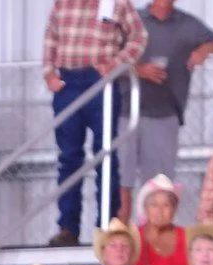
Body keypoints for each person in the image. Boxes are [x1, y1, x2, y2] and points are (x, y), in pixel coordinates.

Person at [44, 0, 145, 245]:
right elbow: (51, 37)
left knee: (106, 155)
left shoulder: (117, 3)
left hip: (101, 81)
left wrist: (116, 62)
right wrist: (48, 72)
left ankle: (107, 226)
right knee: (69, 157)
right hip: (68, 82)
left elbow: (139, 37)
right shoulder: (62, 3)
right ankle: (68, 227)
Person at [130, 2, 213, 190]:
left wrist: (205, 49)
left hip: (165, 114)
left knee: (160, 184)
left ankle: (155, 221)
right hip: (124, 112)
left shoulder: (188, 24)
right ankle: (115, 220)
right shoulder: (133, 20)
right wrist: (138, 70)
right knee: (119, 181)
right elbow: (107, 56)